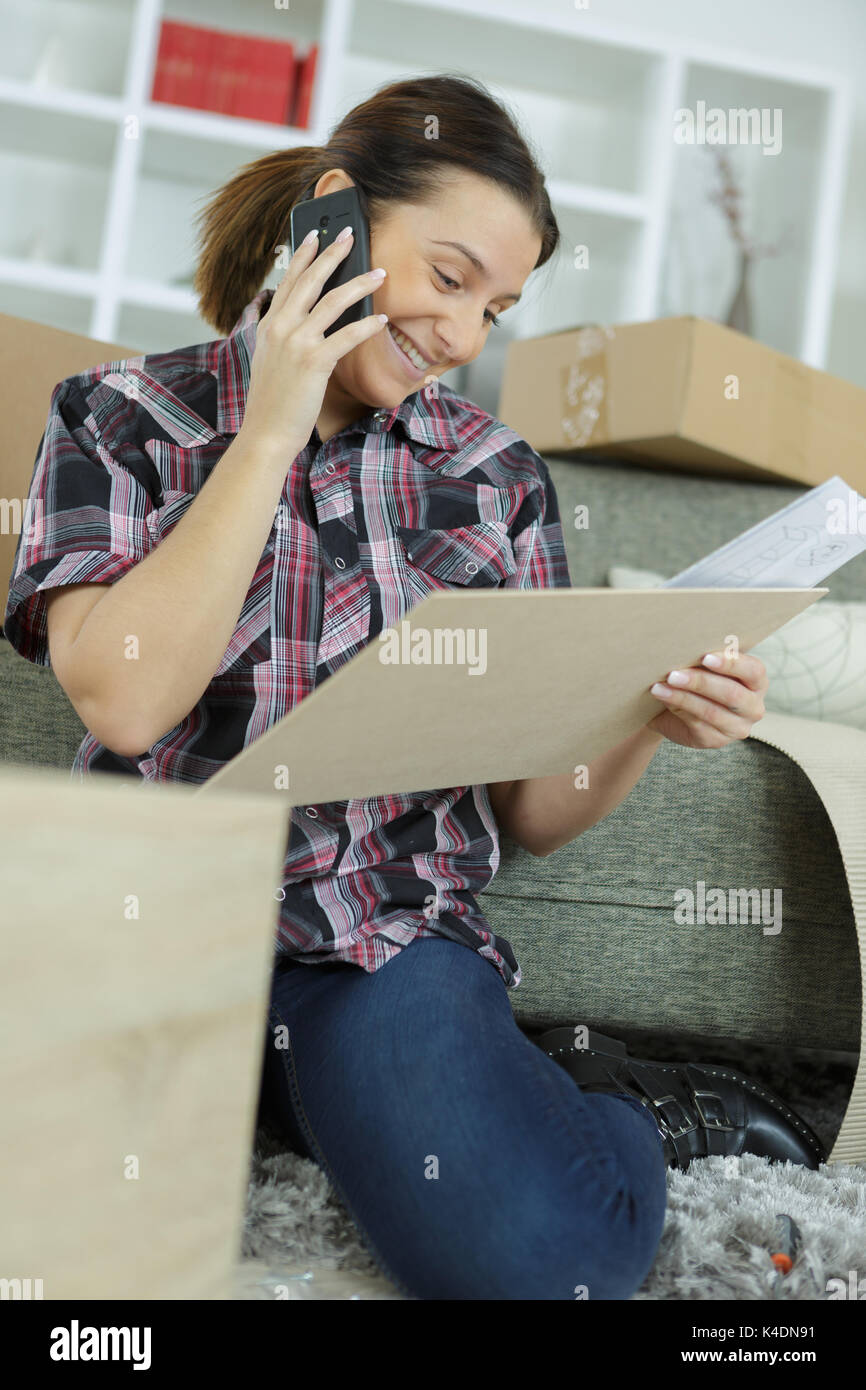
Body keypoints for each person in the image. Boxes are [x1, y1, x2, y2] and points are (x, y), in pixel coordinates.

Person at [4, 73, 824, 1302]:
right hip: (148, 927)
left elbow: (535, 811)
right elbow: (125, 703)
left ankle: (626, 1104)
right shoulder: (120, 420)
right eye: (448, 279)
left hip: (378, 943)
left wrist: (649, 716)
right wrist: (272, 426)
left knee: (545, 1266)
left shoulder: (494, 479)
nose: (460, 336)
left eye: (493, 308)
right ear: (330, 222)